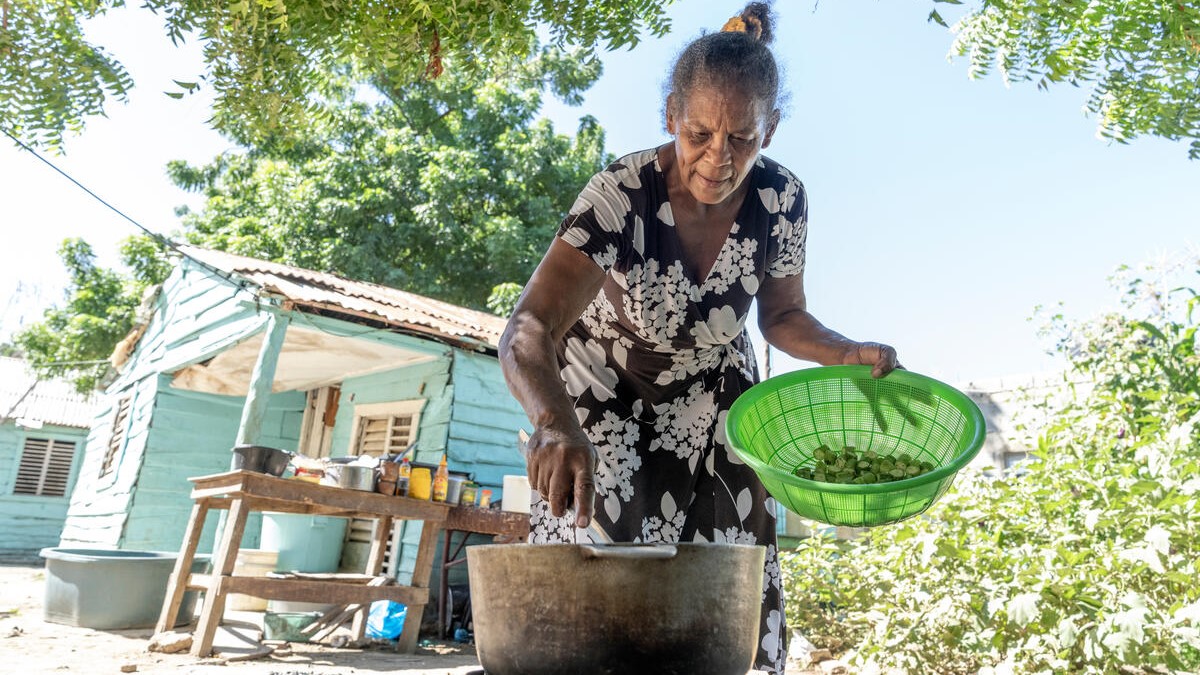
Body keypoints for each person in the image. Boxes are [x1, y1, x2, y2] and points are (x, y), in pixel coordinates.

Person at [498, 3, 900, 673]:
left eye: (743, 137)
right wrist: (552, 424)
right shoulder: (618, 194)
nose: (720, 157)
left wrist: (845, 351)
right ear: (669, 115)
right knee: (600, 560)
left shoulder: (782, 200)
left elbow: (782, 317)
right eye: (700, 133)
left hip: (714, 386)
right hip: (602, 385)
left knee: (729, 567)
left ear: (770, 127)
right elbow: (528, 327)